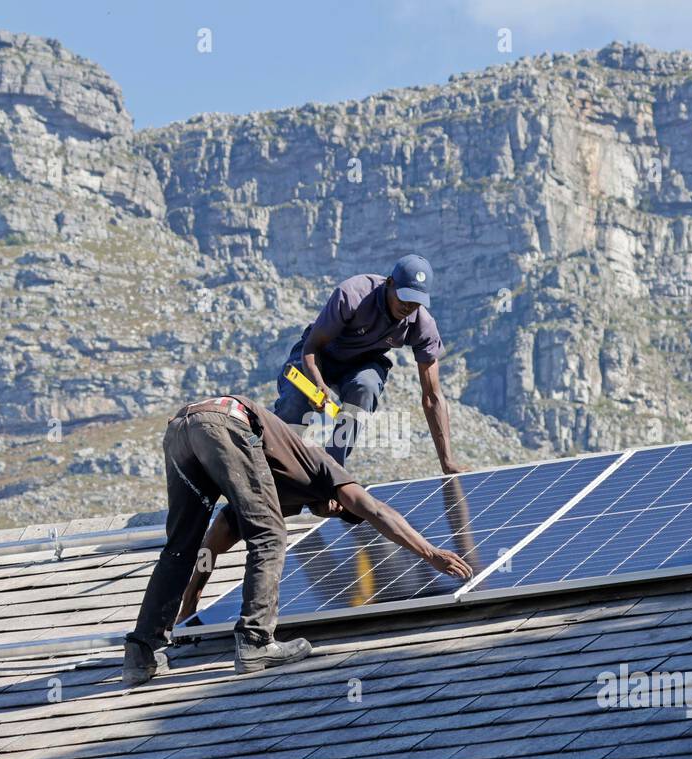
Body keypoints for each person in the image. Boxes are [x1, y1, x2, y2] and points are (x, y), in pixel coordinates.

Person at [123, 394, 472, 687]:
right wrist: (430, 554)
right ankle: (256, 640)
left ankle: (141, 652)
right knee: (270, 533)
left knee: (180, 546)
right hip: (226, 423)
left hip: (183, 428)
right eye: (342, 506)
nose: (335, 509)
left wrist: (188, 607)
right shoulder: (324, 467)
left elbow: (212, 542)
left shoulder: (275, 491)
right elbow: (376, 511)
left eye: (338, 515)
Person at [273, 254, 463, 472]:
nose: (408, 306)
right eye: (403, 297)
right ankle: (279, 471)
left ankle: (332, 473)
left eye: (415, 302)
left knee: (366, 386)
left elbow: (432, 396)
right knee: (294, 407)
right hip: (319, 357)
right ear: (389, 283)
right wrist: (318, 384)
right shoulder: (353, 294)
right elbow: (312, 348)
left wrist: (447, 462)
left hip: (361, 364)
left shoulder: (423, 325)